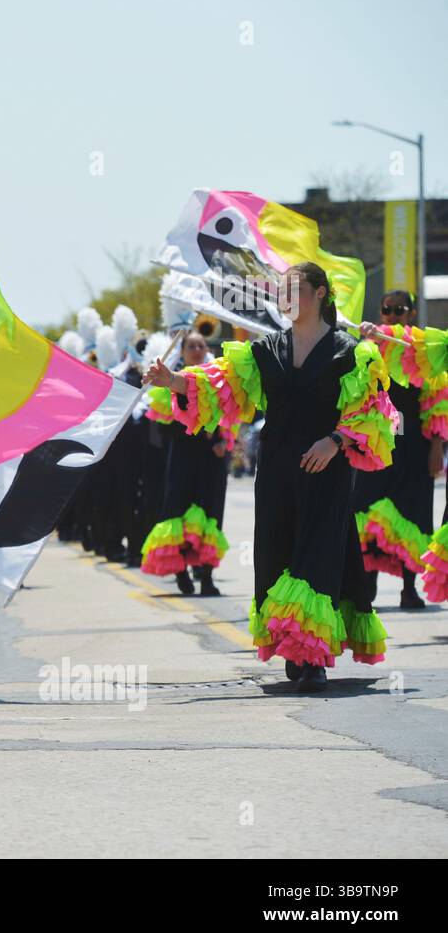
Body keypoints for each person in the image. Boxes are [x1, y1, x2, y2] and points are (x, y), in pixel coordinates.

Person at [145, 263, 396, 692]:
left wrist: (334, 440)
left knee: (316, 557)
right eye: (282, 289)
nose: (285, 296)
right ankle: (293, 642)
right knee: (277, 554)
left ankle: (314, 657)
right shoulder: (266, 350)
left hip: (325, 472)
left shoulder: (350, 351)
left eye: (294, 288)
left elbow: (373, 411)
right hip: (277, 471)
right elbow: (221, 383)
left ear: (320, 294)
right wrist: (174, 381)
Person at [346, 291, 443, 610]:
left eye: (399, 310)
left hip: (414, 446)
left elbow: (436, 402)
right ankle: (367, 587)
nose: (392, 315)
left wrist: (436, 448)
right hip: (377, 444)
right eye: (387, 310)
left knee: (413, 514)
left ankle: (409, 588)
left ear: (412, 314)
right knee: (366, 511)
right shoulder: (370, 345)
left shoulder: (422, 349)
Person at [141, 332, 232, 596]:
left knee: (211, 513)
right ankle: (180, 571)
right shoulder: (171, 380)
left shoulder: (217, 380)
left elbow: (231, 418)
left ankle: (206, 576)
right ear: (181, 351)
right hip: (182, 458)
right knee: (177, 511)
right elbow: (161, 426)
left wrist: (222, 440)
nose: (196, 349)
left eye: (200, 345)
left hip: (211, 461)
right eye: (190, 345)